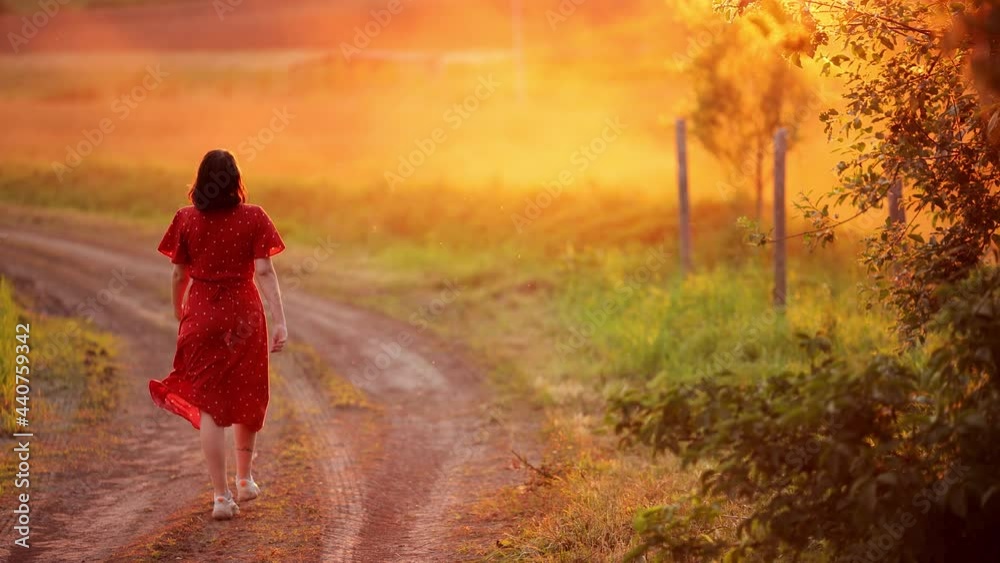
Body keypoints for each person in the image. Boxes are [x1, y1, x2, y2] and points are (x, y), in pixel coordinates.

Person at [148, 149, 288, 520]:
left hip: (203, 314)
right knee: (248, 392)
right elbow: (265, 272)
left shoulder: (186, 219)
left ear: (200, 181)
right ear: (236, 180)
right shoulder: (255, 217)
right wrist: (280, 321)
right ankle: (245, 479)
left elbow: (179, 275)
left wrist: (180, 310)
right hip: (244, 316)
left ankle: (221, 497)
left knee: (210, 405)